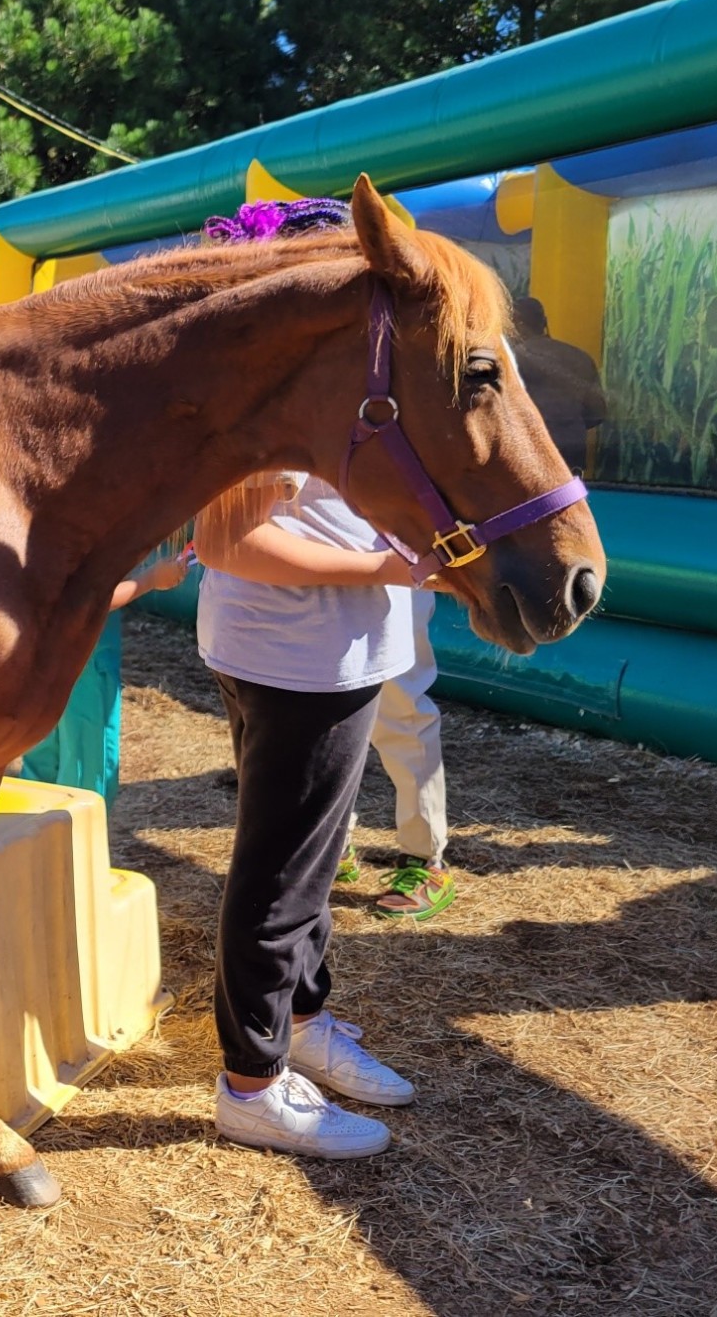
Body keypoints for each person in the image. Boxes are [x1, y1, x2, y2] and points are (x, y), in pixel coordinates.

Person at [192, 199, 418, 1160]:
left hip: (319, 656)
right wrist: (390, 569)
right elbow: (226, 537)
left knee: (310, 861)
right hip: (296, 661)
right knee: (280, 874)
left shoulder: (319, 382)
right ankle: (250, 1082)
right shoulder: (266, 389)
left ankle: (303, 1026)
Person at [17, 550, 190, 809]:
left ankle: (31, 842)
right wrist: (149, 580)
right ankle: (74, 846)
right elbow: (84, 601)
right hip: (85, 662)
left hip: (41, 657)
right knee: (87, 766)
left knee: (40, 760)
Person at [342, 589, 457, 920]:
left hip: (394, 572)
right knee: (317, 709)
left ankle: (424, 859)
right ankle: (331, 846)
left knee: (400, 708)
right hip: (315, 563)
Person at [511, 296, 607, 474]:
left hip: (528, 456)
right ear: (545, 322)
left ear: (514, 324)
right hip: (572, 454)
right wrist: (567, 425)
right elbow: (598, 412)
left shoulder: (512, 360)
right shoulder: (580, 357)